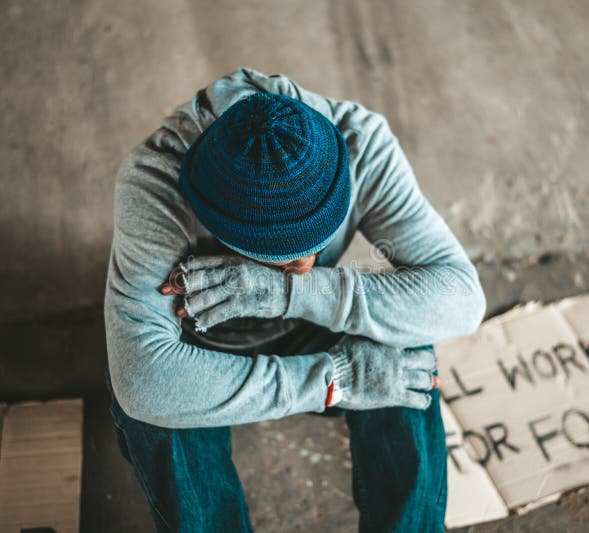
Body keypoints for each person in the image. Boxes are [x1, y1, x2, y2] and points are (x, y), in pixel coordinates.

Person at [103, 66, 486, 533]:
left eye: (318, 238)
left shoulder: (362, 141)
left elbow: (463, 298)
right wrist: (331, 380)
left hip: (303, 322)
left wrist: (290, 291)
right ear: (212, 217)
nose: (307, 261)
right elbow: (144, 381)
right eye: (280, 257)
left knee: (405, 352)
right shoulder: (154, 184)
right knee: (153, 411)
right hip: (196, 335)